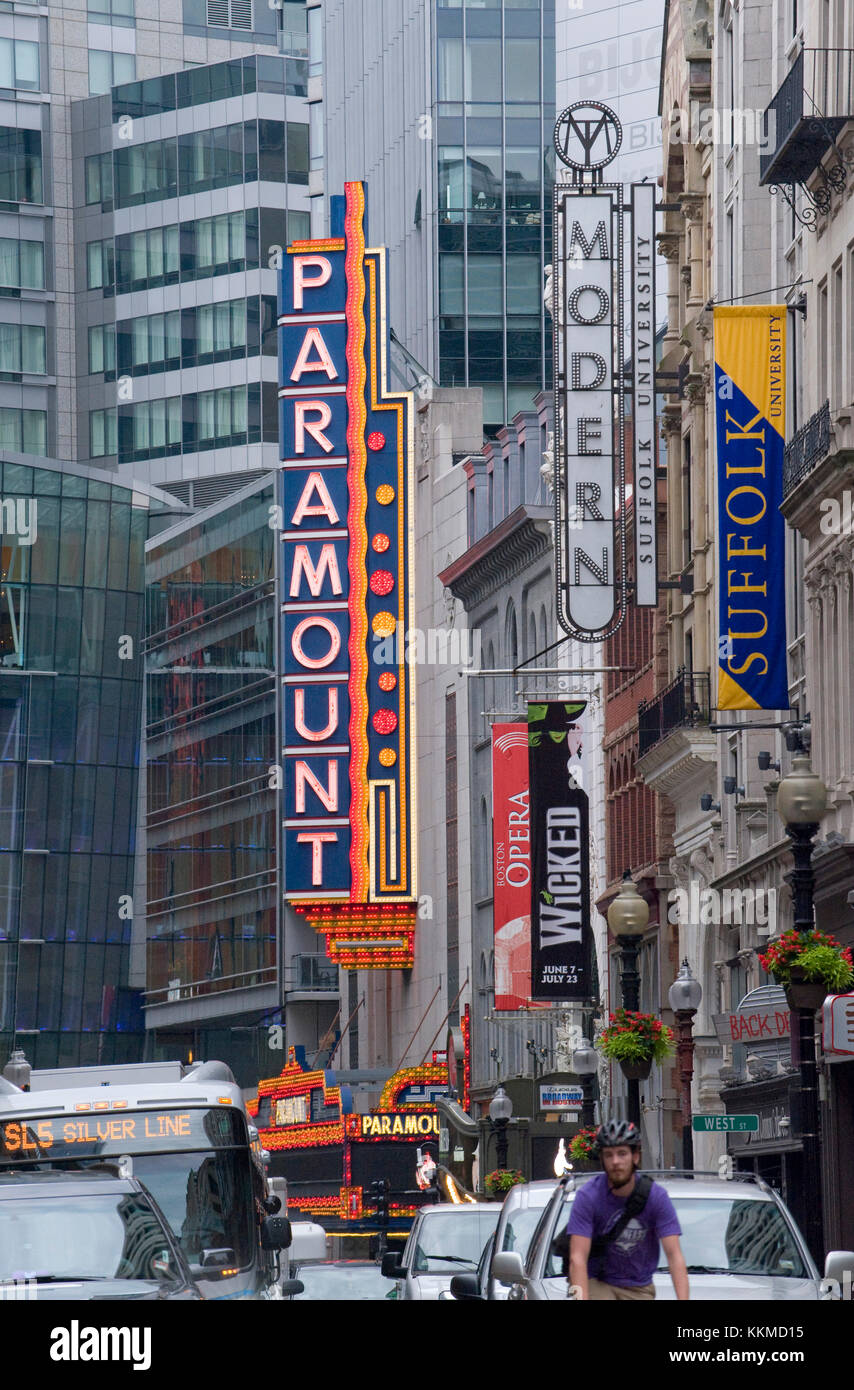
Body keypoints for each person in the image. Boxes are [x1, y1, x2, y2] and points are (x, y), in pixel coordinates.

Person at [567, 1120, 689, 1301]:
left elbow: (674, 1255)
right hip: (596, 1281)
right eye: (609, 1155)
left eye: (622, 1153)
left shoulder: (656, 1197)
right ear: (602, 1159)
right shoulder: (588, 1196)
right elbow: (577, 1258)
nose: (615, 1161)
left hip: (639, 1287)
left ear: (635, 1157)